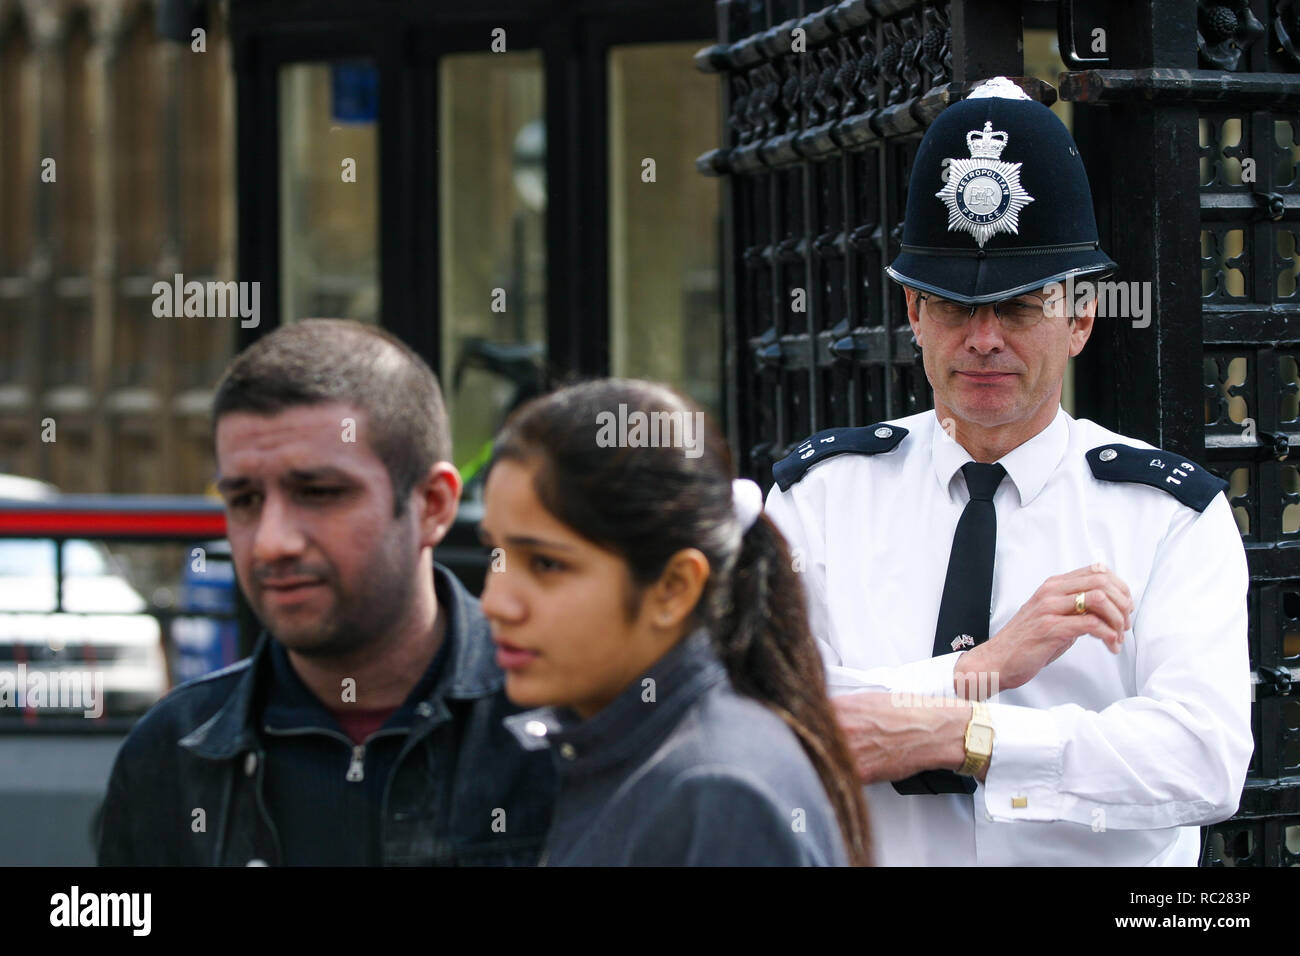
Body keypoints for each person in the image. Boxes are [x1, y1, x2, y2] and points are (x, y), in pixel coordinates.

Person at [764, 77, 1253, 866]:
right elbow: (767, 725)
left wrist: (972, 731)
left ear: (1080, 318)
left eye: (1022, 306)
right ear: (916, 317)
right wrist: (978, 673)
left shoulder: (1166, 517)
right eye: (955, 306)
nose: (984, 339)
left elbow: (1202, 758)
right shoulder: (818, 500)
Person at [97, 319, 556, 865]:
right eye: (244, 500)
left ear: (432, 505)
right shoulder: (171, 756)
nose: (271, 543)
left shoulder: (563, 728)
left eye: (318, 493)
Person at [478, 378, 872, 865]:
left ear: (674, 587)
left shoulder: (716, 791)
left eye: (546, 564)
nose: (495, 602)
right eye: (495, 554)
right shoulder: (614, 748)